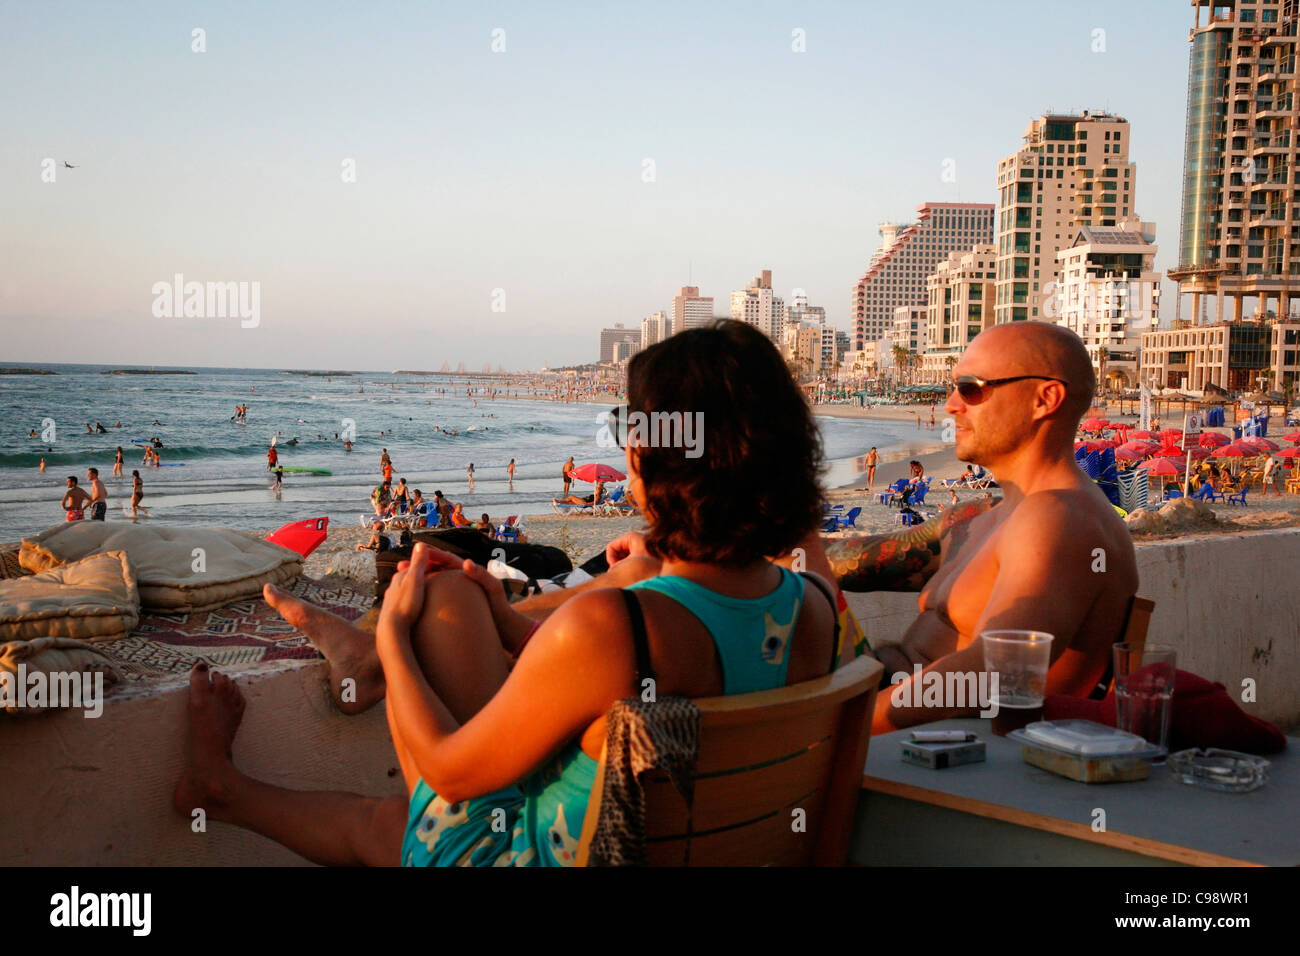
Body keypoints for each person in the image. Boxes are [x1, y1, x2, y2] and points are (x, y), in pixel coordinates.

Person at [176, 318, 839, 867]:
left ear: (666, 456)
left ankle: (252, 765)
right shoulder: (813, 608)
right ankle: (223, 790)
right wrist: (511, 621)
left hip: (556, 852)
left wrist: (392, 643)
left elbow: (450, 775)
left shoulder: (619, 626)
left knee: (431, 792)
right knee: (397, 815)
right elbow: (608, 677)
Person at [817, 322, 1138, 733]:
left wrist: (831, 729)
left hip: (945, 754)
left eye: (970, 388)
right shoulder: (981, 516)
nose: (951, 405)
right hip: (893, 723)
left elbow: (998, 670)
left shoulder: (1061, 518)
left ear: (1045, 398)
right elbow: (853, 560)